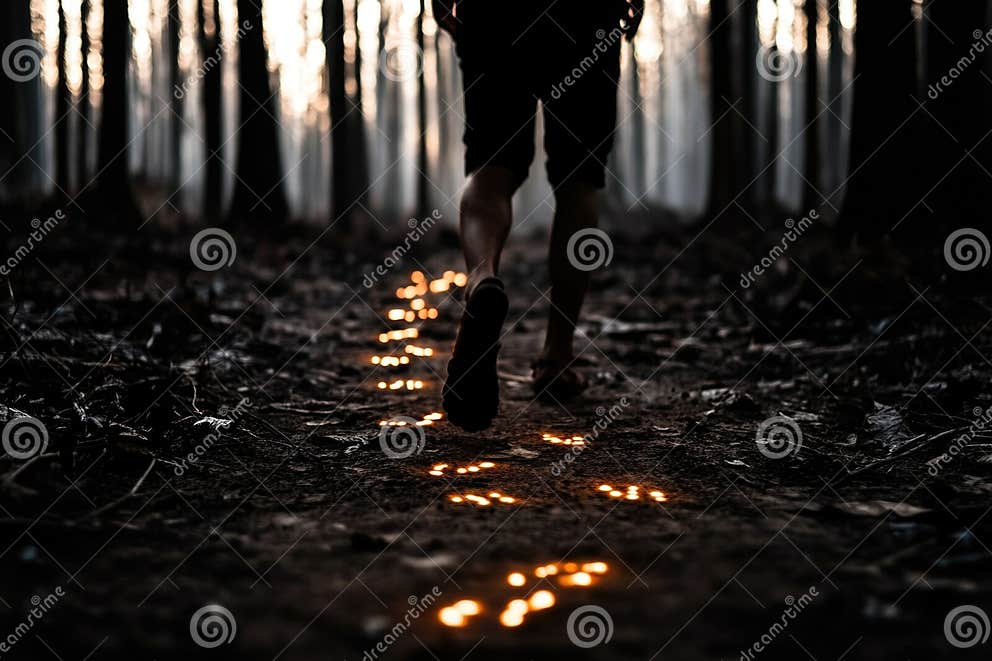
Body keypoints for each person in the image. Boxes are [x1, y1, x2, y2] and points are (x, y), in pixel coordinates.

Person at [435, 0, 643, 432]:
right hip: (585, 16)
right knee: (578, 181)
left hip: (495, 14)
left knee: (491, 169)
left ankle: (481, 283)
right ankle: (557, 357)